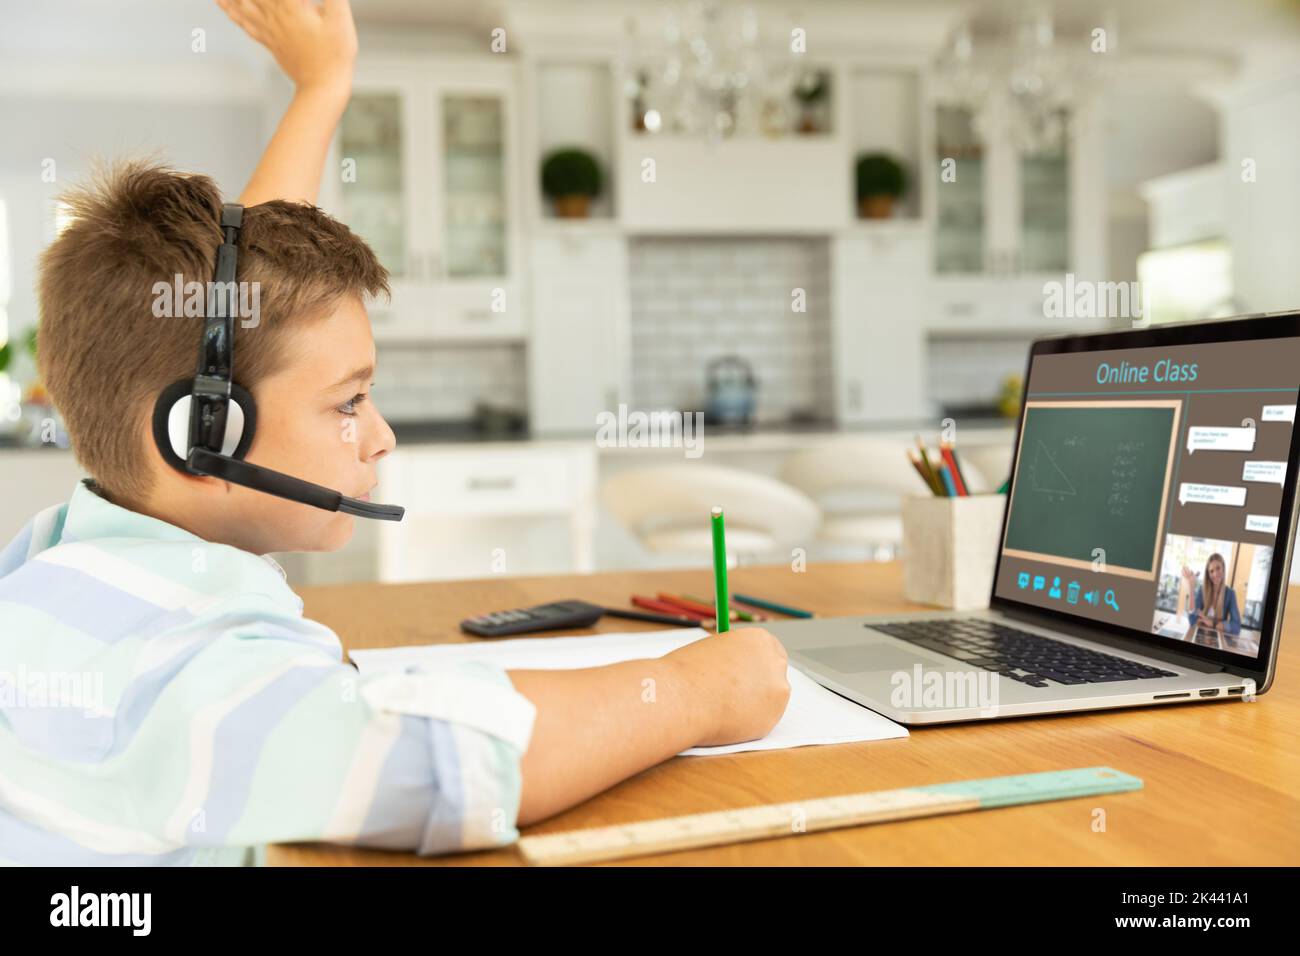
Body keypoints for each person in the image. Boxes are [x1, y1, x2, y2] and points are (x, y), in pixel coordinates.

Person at [0, 0, 790, 864]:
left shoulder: (60, 564)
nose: (380, 438)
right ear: (205, 433)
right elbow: (445, 767)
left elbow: (247, 323)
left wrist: (321, 86)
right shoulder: (180, 673)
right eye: (349, 402)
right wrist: (693, 689)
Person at [1181, 551, 1241, 642]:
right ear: (1208, 575)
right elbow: (1192, 620)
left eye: (1218, 568)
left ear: (1223, 569)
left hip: (1218, 640)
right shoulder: (1202, 590)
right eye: (1211, 571)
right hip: (1200, 638)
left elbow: (1236, 626)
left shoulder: (1230, 593)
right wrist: (1191, 589)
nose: (1215, 574)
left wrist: (1213, 623)